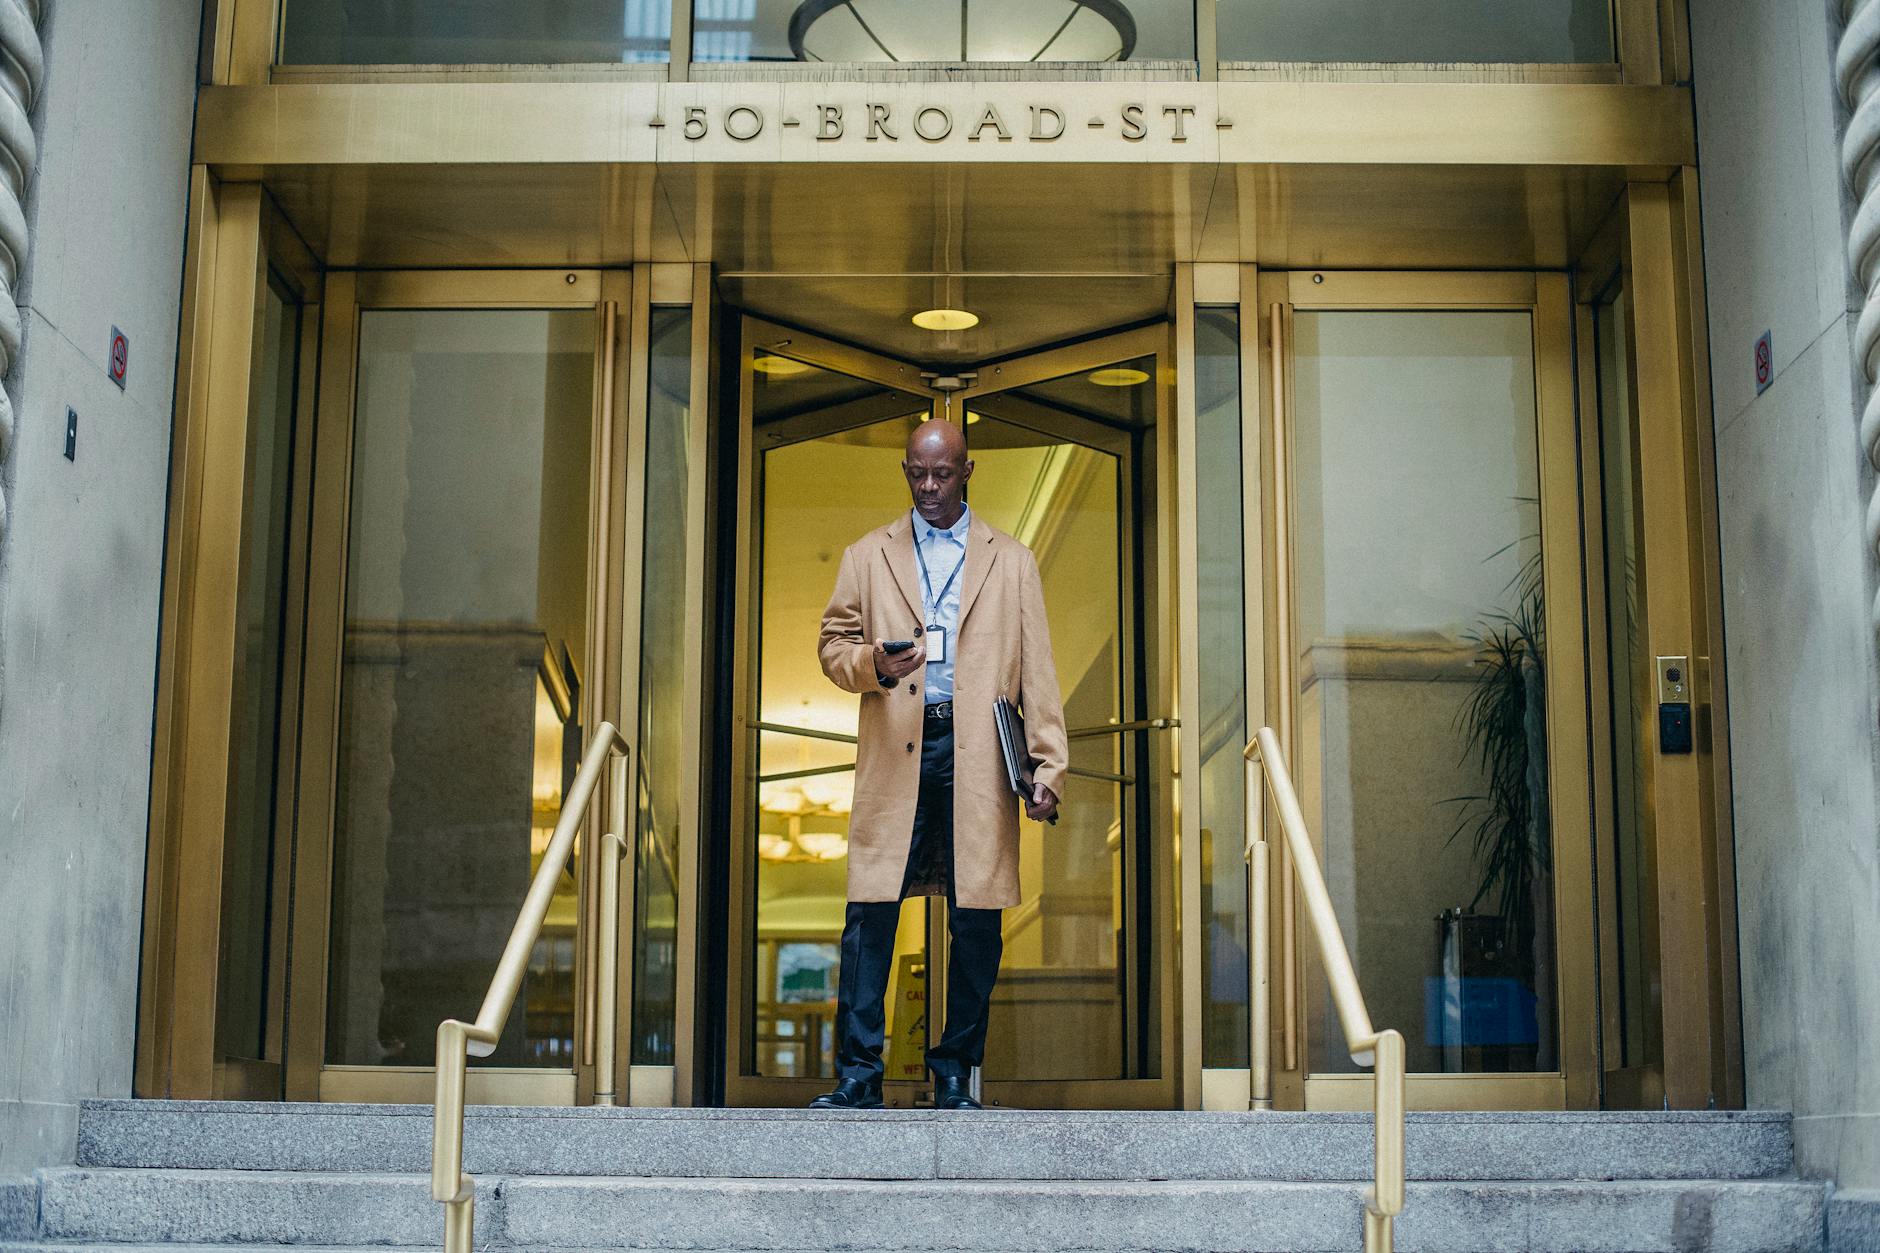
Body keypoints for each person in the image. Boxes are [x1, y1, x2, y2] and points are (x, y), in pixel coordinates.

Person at [811, 417, 1068, 1111]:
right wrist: (874, 663)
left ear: (968, 471)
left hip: (977, 752)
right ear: (905, 471)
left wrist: (1047, 768)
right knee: (871, 913)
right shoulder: (869, 554)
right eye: (917, 474)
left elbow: (1037, 673)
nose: (928, 487)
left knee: (976, 916)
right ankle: (859, 1075)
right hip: (898, 743)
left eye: (942, 474)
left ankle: (955, 1069)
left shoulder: (1011, 560)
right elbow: (833, 646)